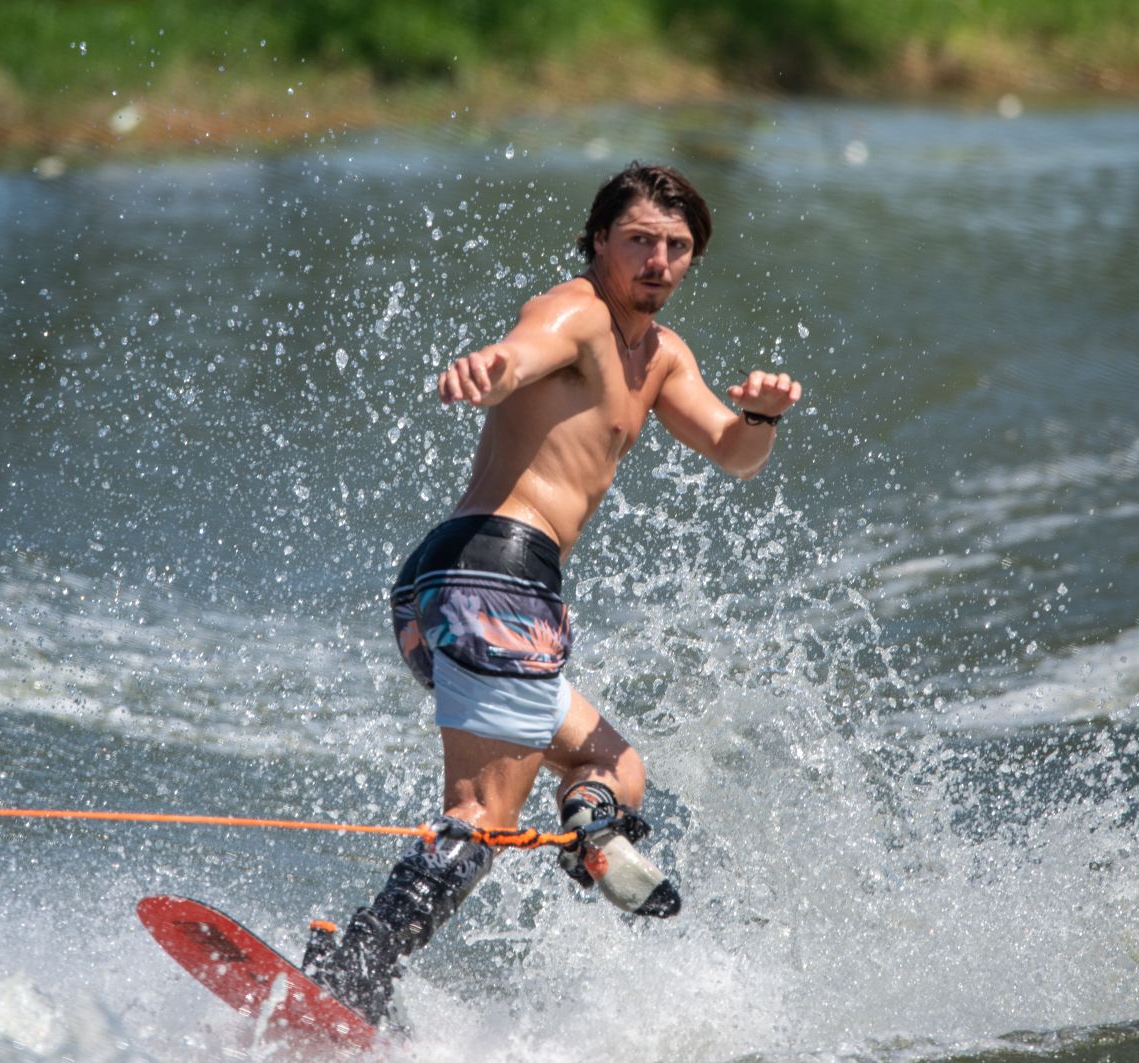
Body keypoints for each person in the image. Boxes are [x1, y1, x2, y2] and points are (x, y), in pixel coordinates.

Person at [309, 162, 801, 1025]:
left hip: (461, 581)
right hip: (492, 576)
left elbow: (734, 453)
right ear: (599, 240)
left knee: (614, 766)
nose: (657, 260)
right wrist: (492, 369)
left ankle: (591, 830)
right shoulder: (575, 311)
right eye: (638, 240)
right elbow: (524, 351)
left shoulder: (662, 356)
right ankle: (354, 974)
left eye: (676, 246)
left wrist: (760, 416)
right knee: (480, 816)